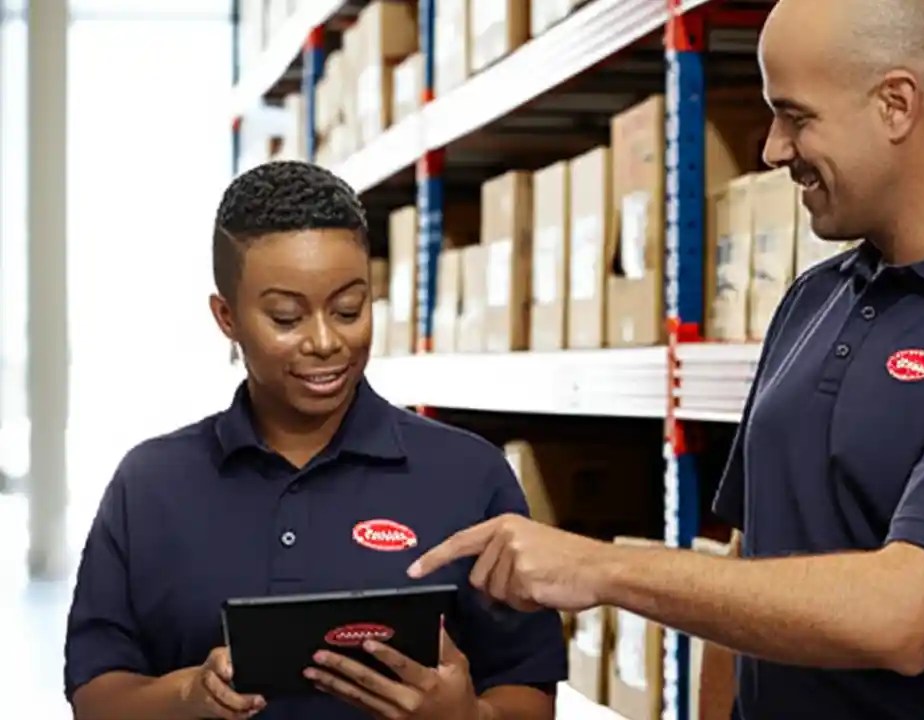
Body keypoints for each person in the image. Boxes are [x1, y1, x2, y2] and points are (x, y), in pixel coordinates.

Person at [405, 0, 924, 717]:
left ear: (896, 104)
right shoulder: (813, 300)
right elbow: (747, 563)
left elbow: (905, 617)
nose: (771, 148)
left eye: (795, 115)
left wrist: (598, 568)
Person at [63, 161, 566, 720]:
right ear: (226, 317)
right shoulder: (149, 484)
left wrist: (467, 716)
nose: (326, 342)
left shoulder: (471, 476)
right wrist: (188, 697)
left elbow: (530, 690)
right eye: (286, 317)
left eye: (349, 309)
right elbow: (94, 695)